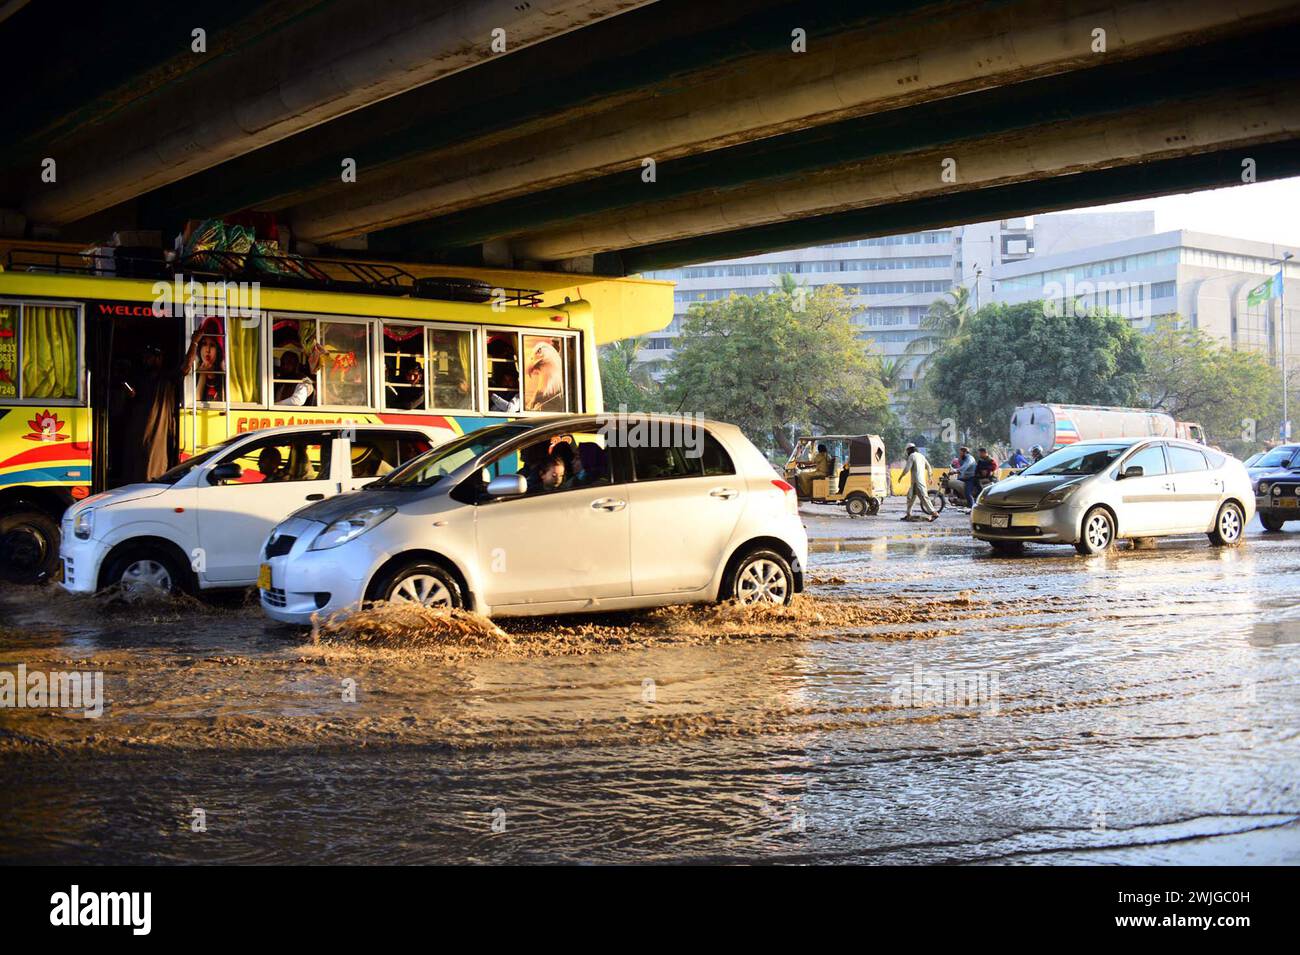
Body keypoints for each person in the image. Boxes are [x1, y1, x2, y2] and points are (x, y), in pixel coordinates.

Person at [119, 329, 206, 485]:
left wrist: (194, 342)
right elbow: (129, 394)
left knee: (152, 472)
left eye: (150, 357)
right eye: (145, 357)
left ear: (159, 359)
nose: (146, 360)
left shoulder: (166, 378)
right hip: (138, 434)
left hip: (156, 434)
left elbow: (186, 367)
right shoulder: (138, 377)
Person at [901, 443, 938, 521]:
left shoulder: (912, 456)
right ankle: (908, 514)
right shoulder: (921, 456)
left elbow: (907, 468)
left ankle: (934, 513)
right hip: (916, 482)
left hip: (917, 482)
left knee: (924, 497)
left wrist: (901, 476)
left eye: (907, 451)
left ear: (909, 450)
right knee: (910, 498)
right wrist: (930, 477)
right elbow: (929, 467)